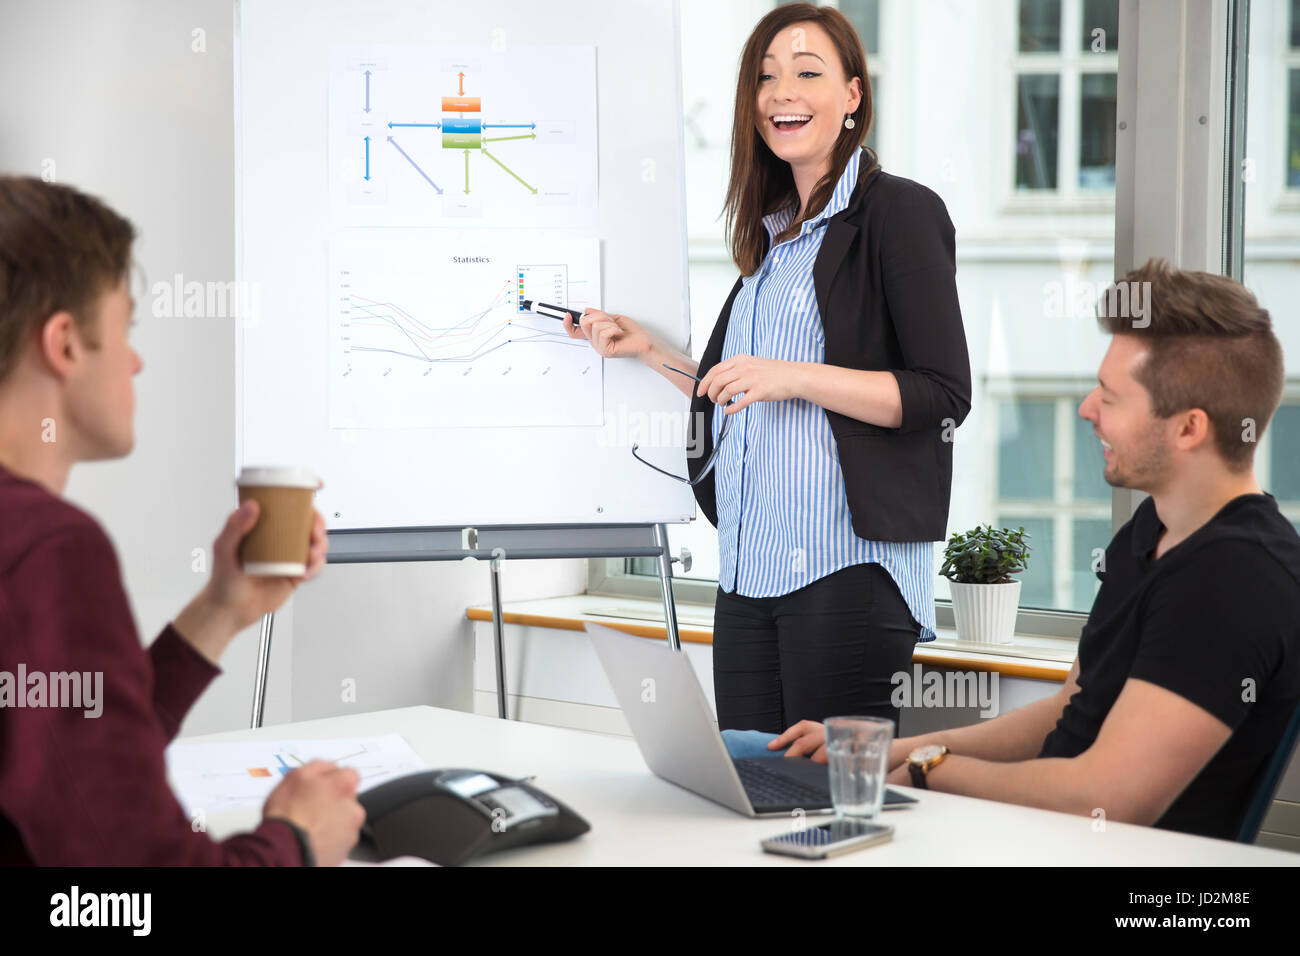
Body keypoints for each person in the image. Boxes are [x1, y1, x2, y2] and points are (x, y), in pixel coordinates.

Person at [771, 259, 1300, 841]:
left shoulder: (1236, 578)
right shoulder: (1152, 529)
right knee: (754, 762)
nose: (1086, 410)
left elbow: (1108, 800)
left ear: (1188, 429)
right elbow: (1068, 711)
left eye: (1111, 396)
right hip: (1046, 841)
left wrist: (932, 772)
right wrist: (886, 752)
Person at [566, 4, 970, 735]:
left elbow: (942, 395)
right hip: (747, 575)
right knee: (752, 803)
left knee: (830, 811)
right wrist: (648, 351)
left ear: (852, 95)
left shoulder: (899, 213)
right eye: (765, 77)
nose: (782, 92)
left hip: (847, 572)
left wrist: (795, 376)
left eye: (807, 73)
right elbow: (742, 386)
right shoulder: (774, 239)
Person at [0, 175, 364, 865]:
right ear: (65, 343)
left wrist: (220, 611)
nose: (135, 360)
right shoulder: (50, 549)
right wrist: (299, 840)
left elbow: (72, 764)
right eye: (124, 329)